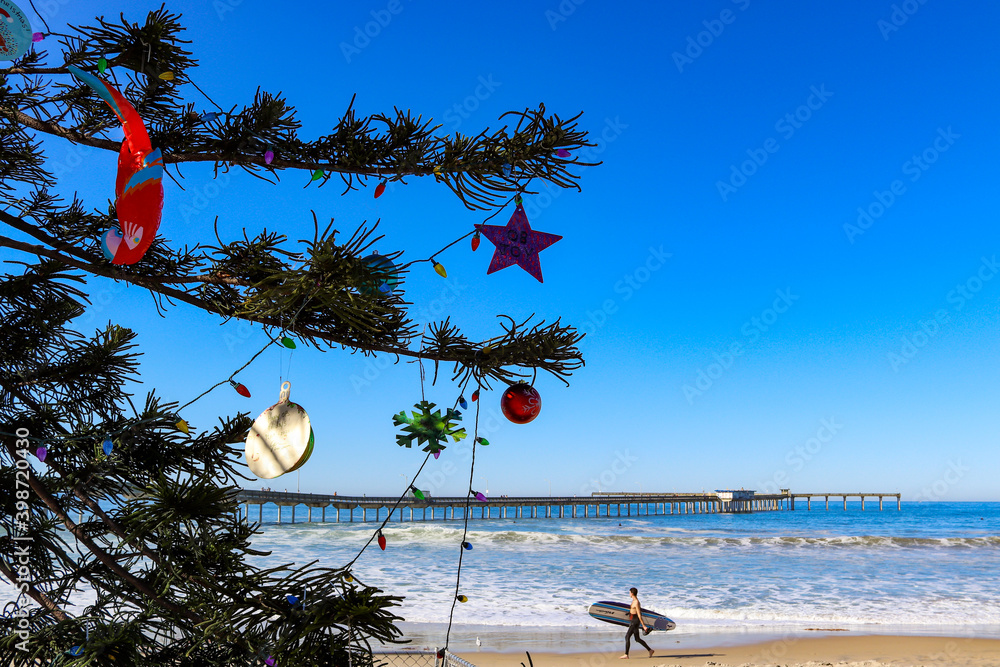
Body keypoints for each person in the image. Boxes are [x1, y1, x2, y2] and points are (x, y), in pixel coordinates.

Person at [619, 587, 653, 659]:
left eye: (629, 592)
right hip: (633, 620)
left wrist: (643, 626)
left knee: (627, 637)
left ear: (632, 593)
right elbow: (633, 610)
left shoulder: (636, 602)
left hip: (635, 622)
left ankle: (626, 654)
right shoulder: (633, 601)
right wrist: (629, 613)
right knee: (637, 639)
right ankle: (650, 650)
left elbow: (639, 614)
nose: (629, 594)